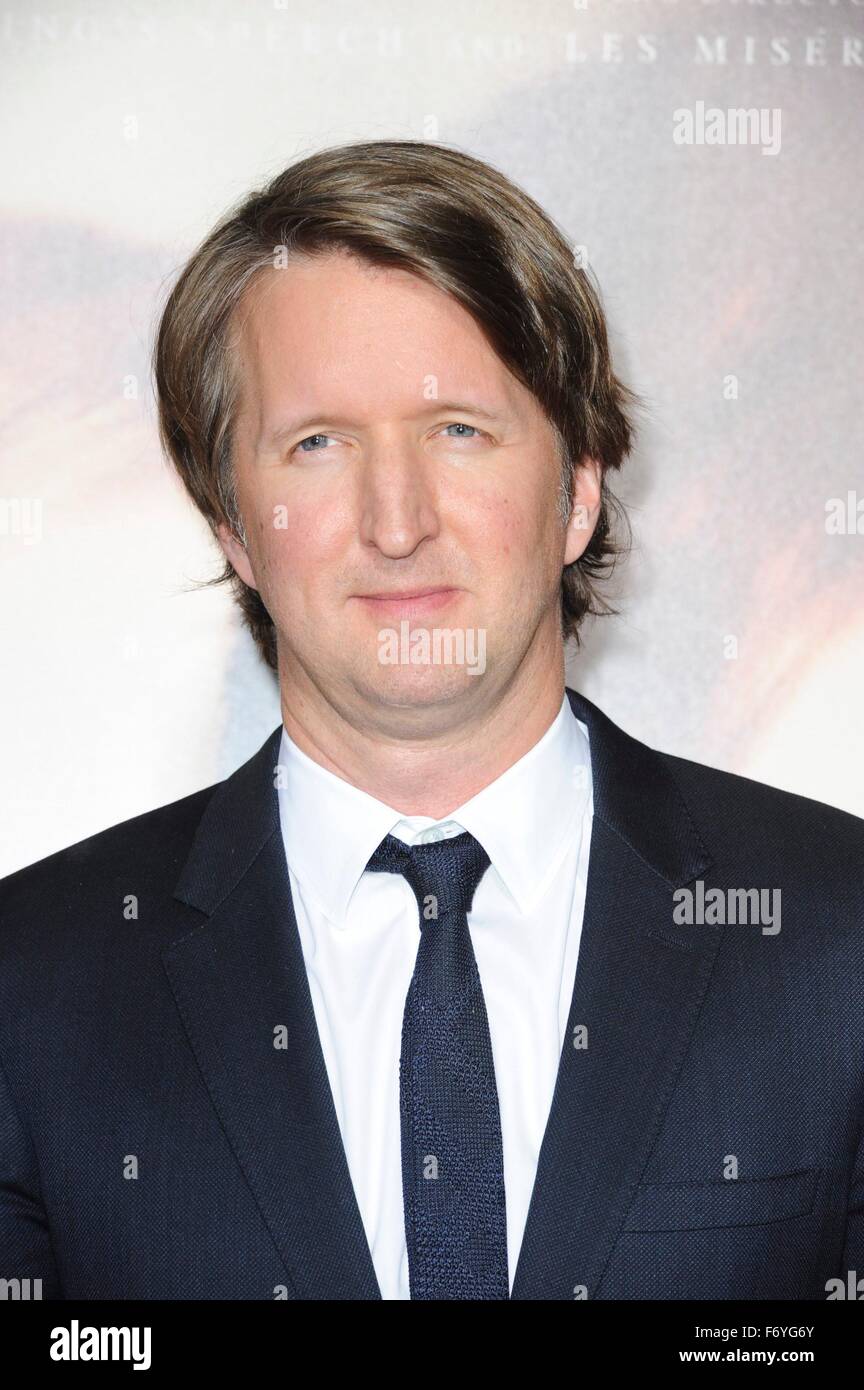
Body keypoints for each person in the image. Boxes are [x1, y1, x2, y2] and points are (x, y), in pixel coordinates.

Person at [1, 140, 862, 1301]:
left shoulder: (835, 933)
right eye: (317, 443)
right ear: (235, 529)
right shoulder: (32, 983)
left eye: (459, 428)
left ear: (580, 489)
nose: (395, 520)